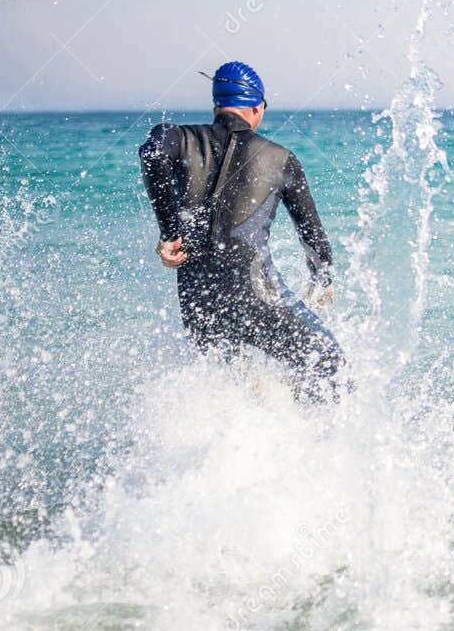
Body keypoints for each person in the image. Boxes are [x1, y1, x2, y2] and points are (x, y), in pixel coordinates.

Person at [139, 61, 344, 401]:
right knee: (327, 360)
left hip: (197, 300)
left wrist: (170, 233)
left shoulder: (178, 137)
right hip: (255, 293)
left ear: (217, 106)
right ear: (256, 107)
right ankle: (316, 432)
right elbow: (311, 233)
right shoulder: (281, 158)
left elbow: (152, 154)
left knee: (232, 389)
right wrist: (322, 279)